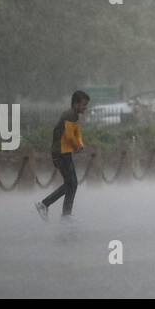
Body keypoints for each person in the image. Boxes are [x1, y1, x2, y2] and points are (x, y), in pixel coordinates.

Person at [35, 90, 90, 222]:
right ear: (76, 104)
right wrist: (76, 146)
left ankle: (65, 214)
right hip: (60, 153)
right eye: (83, 105)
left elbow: (77, 133)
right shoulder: (69, 115)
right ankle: (45, 205)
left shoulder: (74, 116)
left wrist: (80, 145)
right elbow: (69, 136)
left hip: (64, 152)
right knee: (71, 183)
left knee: (72, 183)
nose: (85, 107)